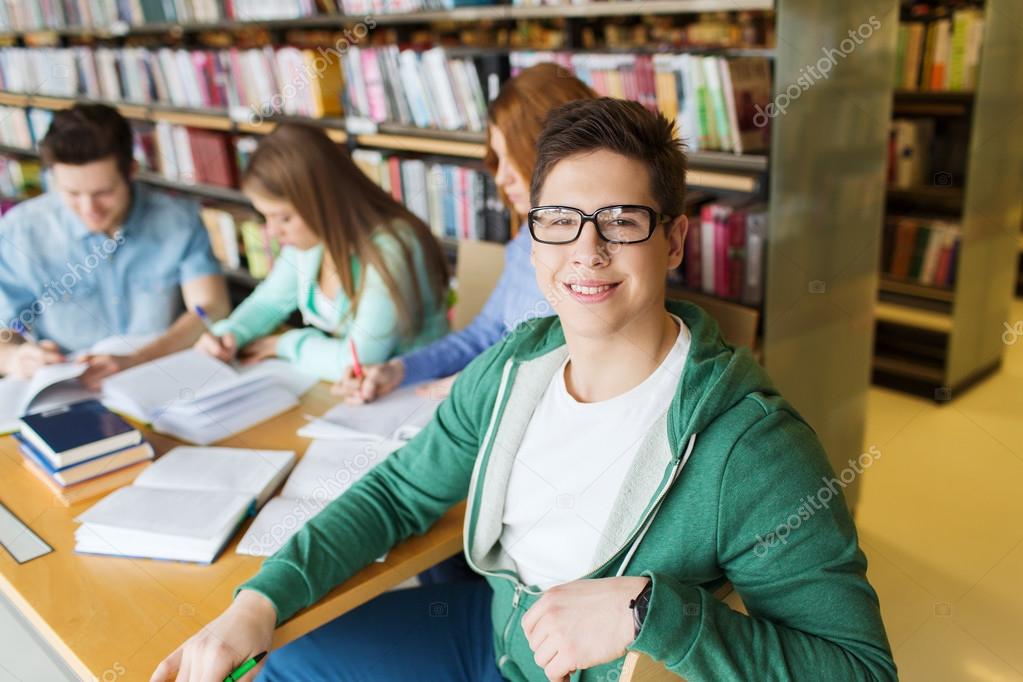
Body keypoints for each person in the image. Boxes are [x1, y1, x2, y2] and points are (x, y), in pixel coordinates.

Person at [152, 98, 897, 682]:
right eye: (559, 221)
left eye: (621, 221)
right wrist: (258, 602)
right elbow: (395, 496)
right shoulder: (517, 366)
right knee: (268, 658)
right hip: (488, 640)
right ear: (530, 235)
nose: (586, 250)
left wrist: (651, 614)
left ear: (672, 240)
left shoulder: (752, 446)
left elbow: (859, 669)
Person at [332, 63, 596, 403]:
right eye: (495, 161)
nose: (500, 178)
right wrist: (399, 369)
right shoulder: (523, 244)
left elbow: (566, 362)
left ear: (551, 151)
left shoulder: (596, 256)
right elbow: (483, 334)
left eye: (510, 157)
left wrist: (470, 382)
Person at [194, 123, 450, 382]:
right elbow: (269, 301)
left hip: (413, 393)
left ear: (323, 203)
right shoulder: (309, 240)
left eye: (283, 218)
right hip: (354, 393)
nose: (272, 231)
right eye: (266, 217)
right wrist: (229, 333)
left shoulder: (392, 248)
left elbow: (358, 361)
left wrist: (284, 344)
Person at [0, 104, 229, 390]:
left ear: (131, 170)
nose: (88, 208)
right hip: (67, 386)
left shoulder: (178, 219)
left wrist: (136, 360)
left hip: (159, 375)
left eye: (103, 193)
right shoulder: (20, 229)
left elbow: (211, 307)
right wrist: (13, 357)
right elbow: (5, 331)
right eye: (71, 193)